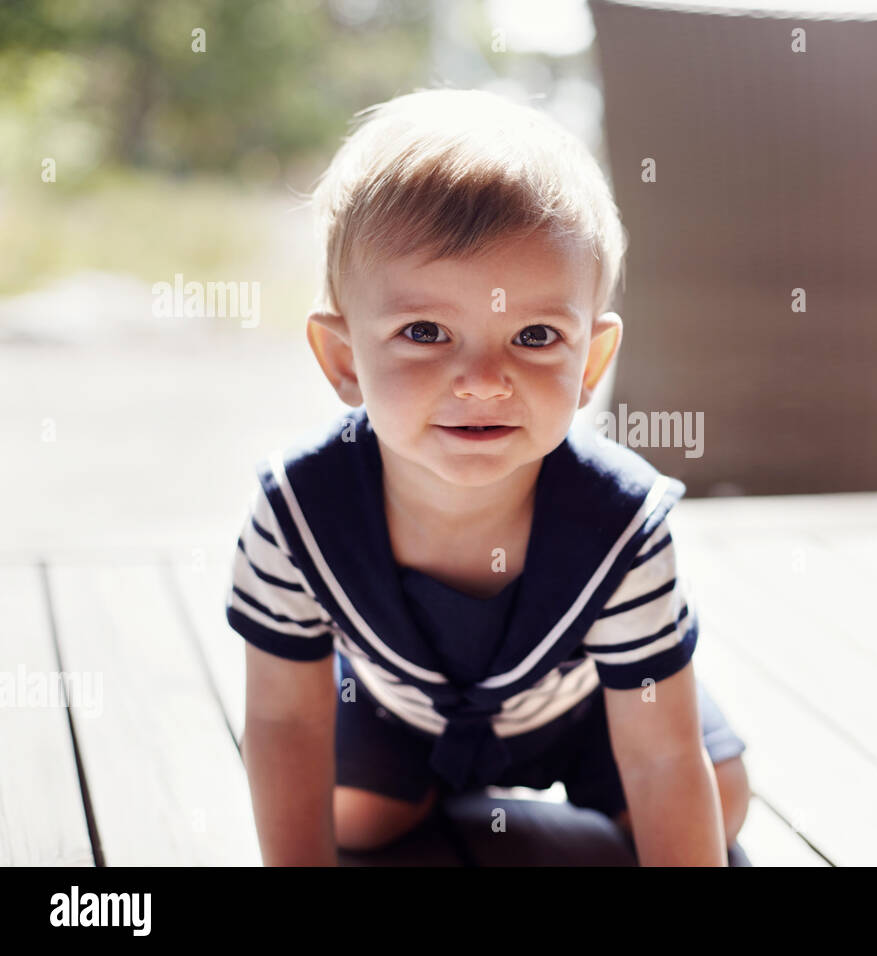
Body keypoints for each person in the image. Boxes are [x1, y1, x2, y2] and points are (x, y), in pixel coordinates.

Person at [225, 87, 749, 866]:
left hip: (589, 710)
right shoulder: (299, 514)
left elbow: (661, 755)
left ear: (591, 364)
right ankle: (429, 787)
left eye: (535, 336)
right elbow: (285, 724)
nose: (482, 380)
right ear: (344, 360)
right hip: (396, 708)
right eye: (426, 332)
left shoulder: (624, 528)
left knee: (718, 793)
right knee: (351, 821)